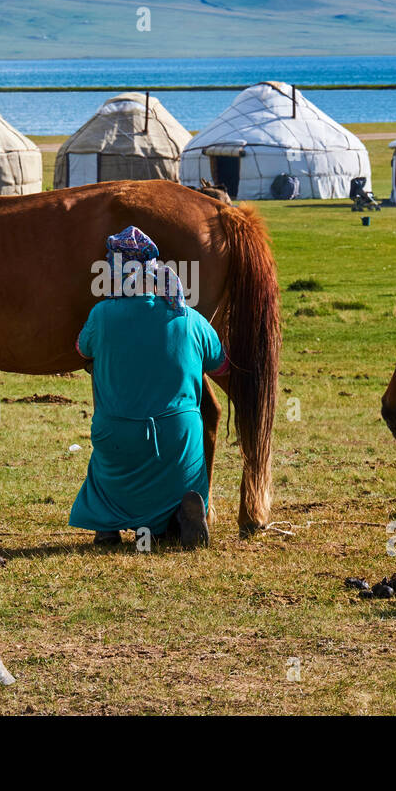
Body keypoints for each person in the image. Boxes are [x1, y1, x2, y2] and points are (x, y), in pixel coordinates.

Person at [70, 226, 228, 549]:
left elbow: (81, 351)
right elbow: (222, 364)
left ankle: (107, 524)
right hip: (177, 441)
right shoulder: (191, 318)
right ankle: (180, 515)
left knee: (106, 478)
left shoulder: (101, 315)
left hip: (119, 439)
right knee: (179, 478)